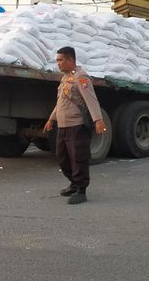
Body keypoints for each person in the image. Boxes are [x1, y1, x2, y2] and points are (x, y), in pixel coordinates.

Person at [44, 46, 107, 205]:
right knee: (62, 157)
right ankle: (74, 183)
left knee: (78, 158)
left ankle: (81, 190)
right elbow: (60, 102)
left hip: (77, 126)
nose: (58, 63)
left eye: (60, 60)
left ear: (70, 60)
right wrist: (51, 119)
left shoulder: (81, 77)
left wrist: (98, 120)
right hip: (63, 126)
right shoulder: (65, 78)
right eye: (57, 60)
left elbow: (91, 99)